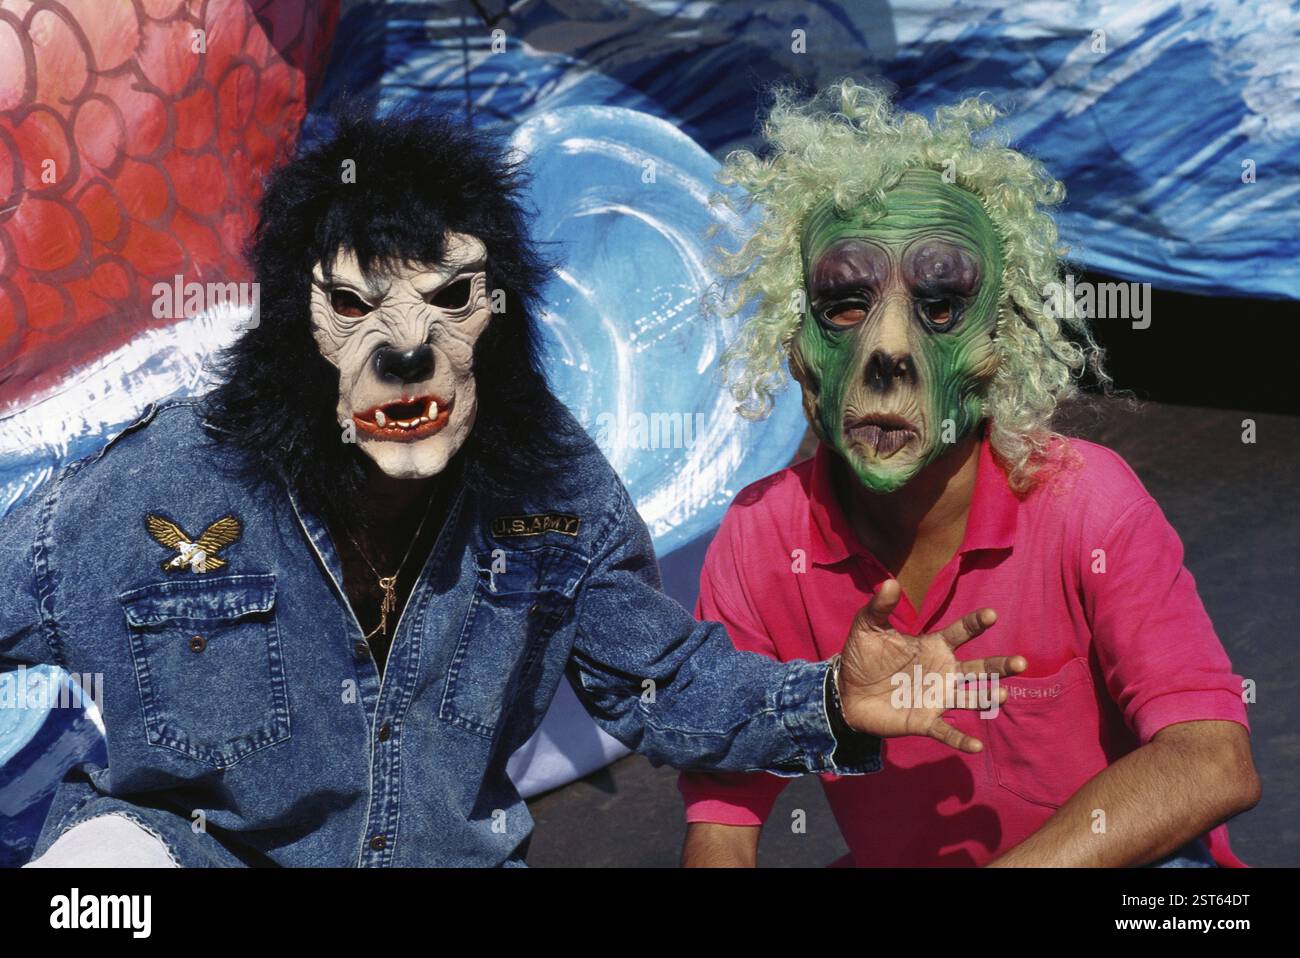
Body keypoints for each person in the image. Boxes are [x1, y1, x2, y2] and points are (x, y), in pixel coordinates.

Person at [0, 105, 1024, 867]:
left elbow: (662, 683)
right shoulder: (166, 480)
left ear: (501, 319)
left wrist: (829, 704)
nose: (408, 349)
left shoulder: (550, 488)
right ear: (292, 334)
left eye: (451, 302)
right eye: (357, 307)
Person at [678, 81, 1260, 868]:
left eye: (942, 302)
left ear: (1000, 345)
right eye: (845, 303)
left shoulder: (1087, 502)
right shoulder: (761, 538)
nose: (887, 349)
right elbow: (723, 818)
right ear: (798, 352)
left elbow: (1210, 759)